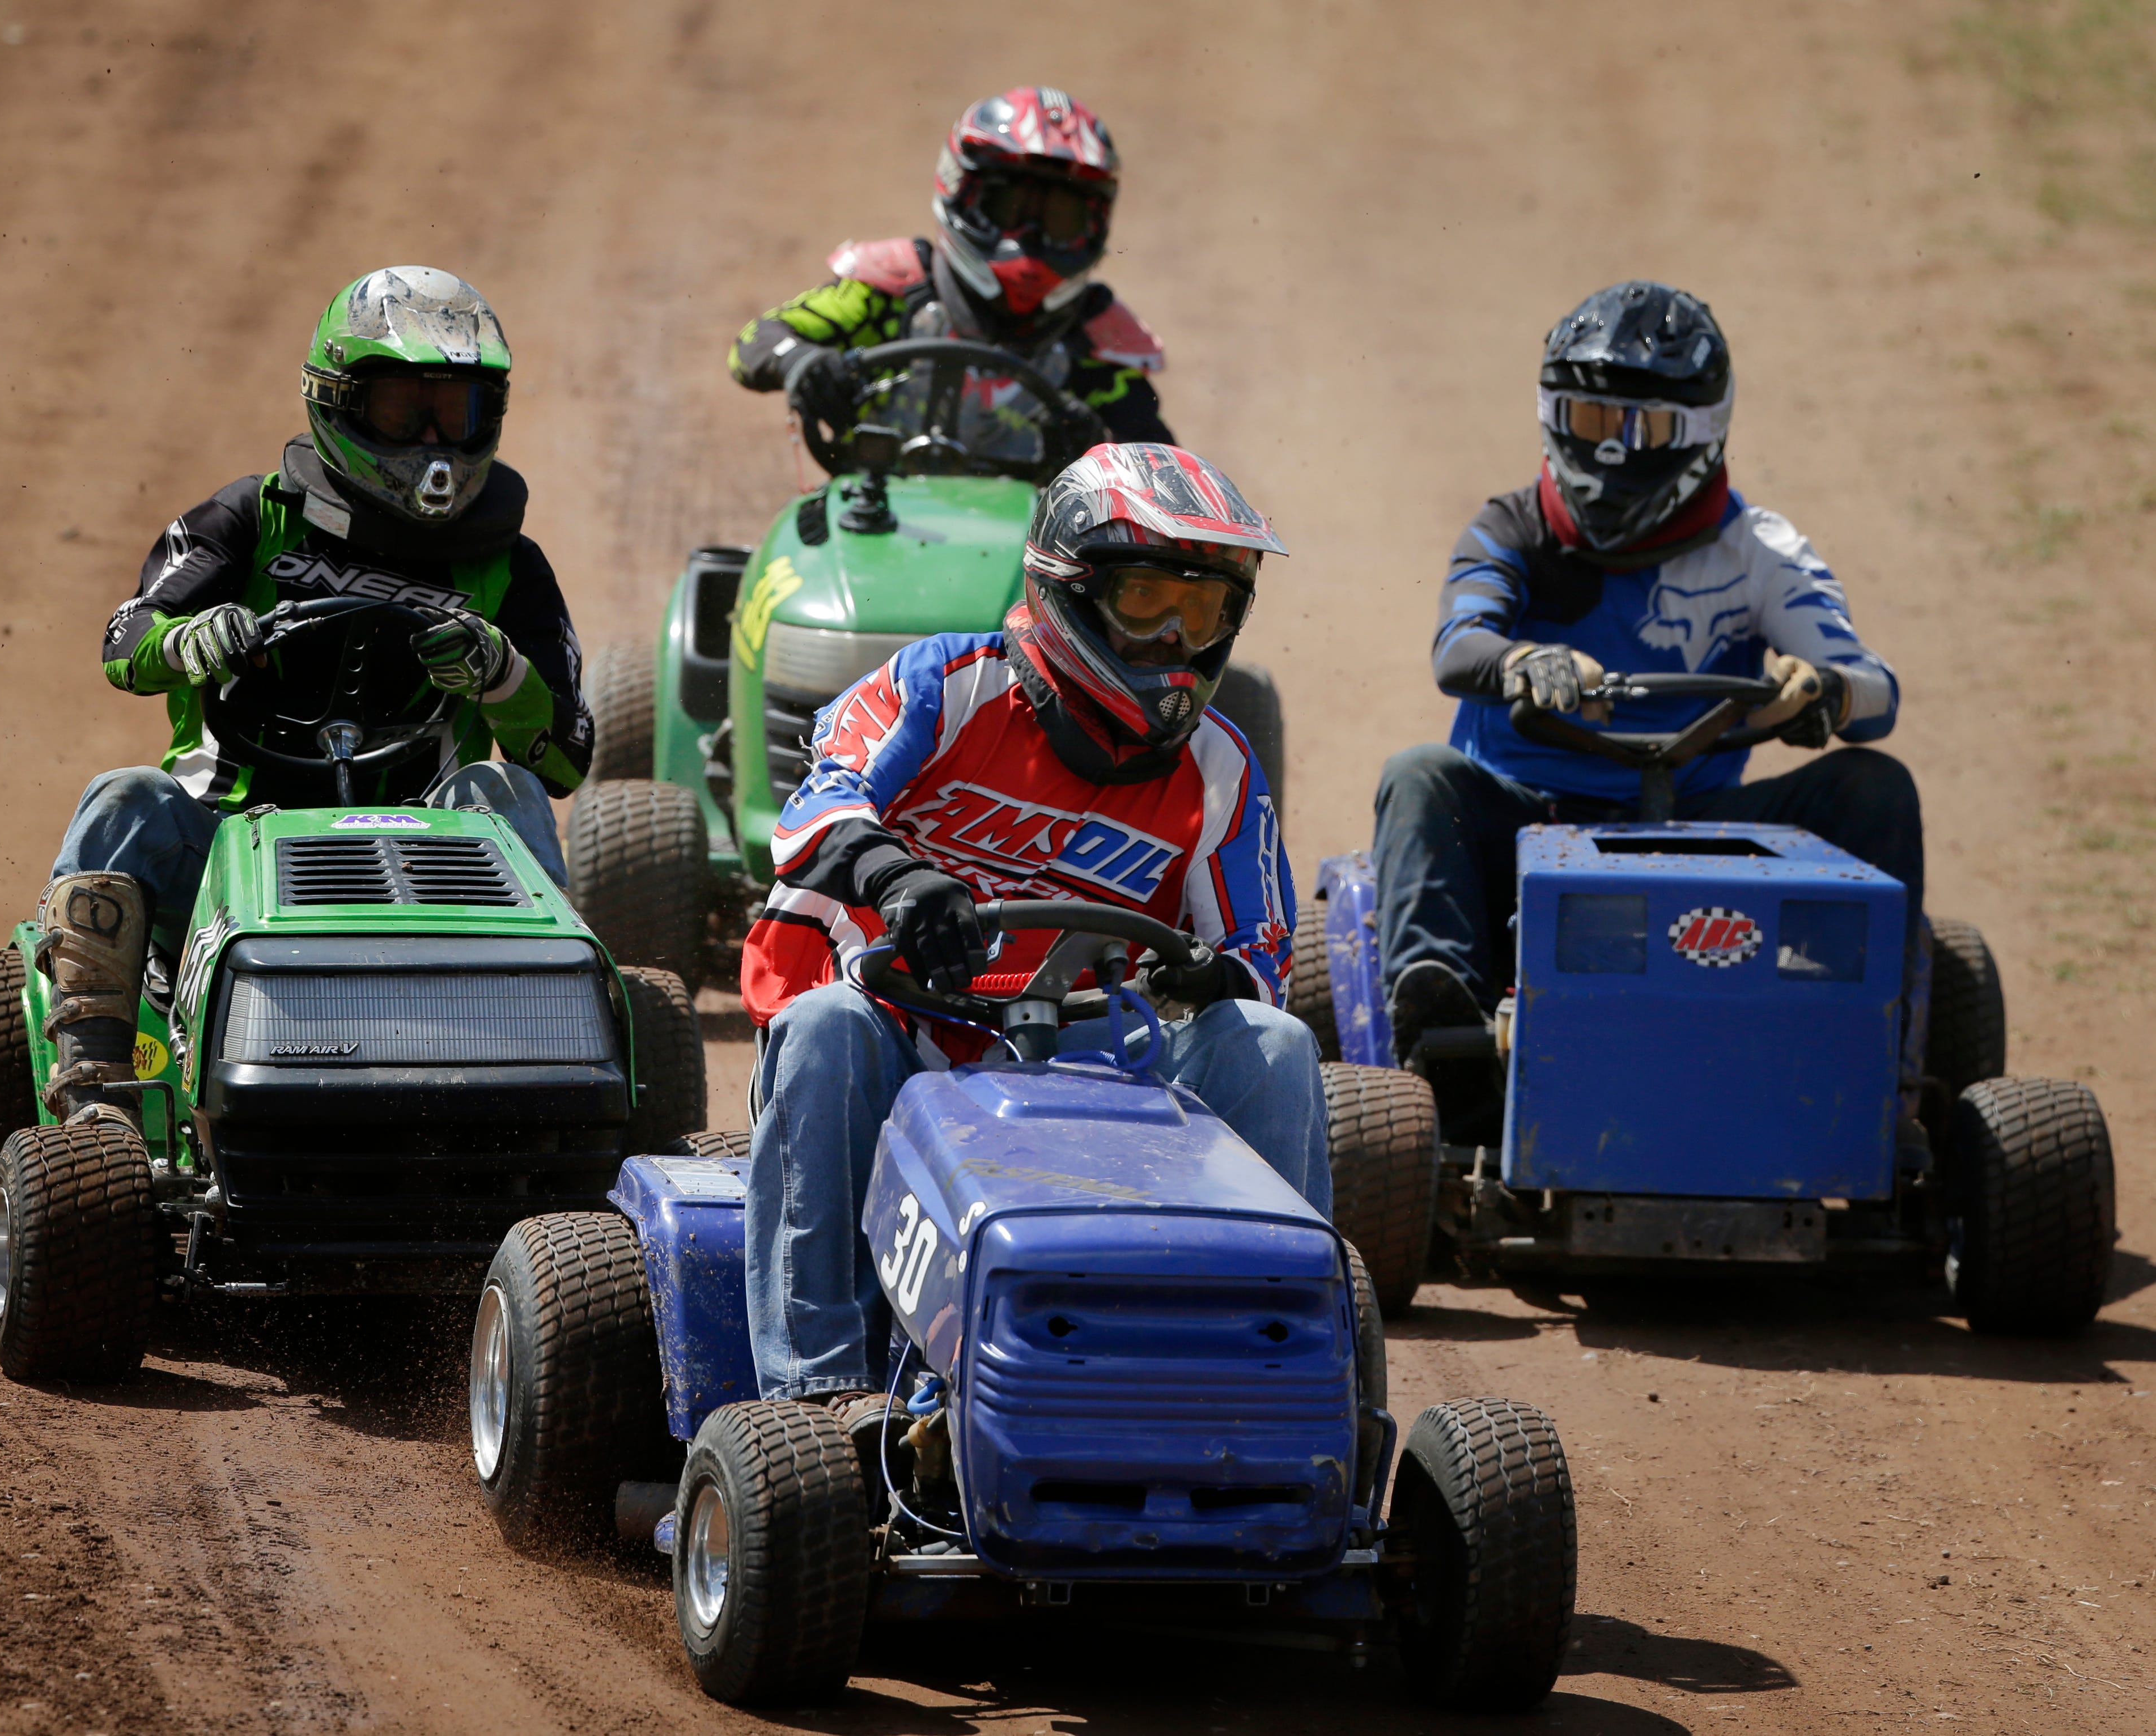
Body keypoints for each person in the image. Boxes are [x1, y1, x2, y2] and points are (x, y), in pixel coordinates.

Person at [738, 442, 1320, 1411]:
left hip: (1094, 1051)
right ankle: (816, 1395)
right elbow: (814, 807)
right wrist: (899, 875)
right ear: (1068, 585)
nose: (1178, 635)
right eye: (1147, 601)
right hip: (901, 1028)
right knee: (824, 1028)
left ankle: (1276, 1382)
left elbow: (1263, 957)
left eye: (1205, 607)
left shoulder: (1219, 765)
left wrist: (1214, 980)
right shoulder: (945, 683)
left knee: (1274, 1045)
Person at [32, 266, 594, 1129]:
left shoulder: (511, 568)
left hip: (427, 865)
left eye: (460, 412)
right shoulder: (251, 520)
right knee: (124, 800)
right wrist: (187, 639)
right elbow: (124, 640)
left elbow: (565, 756)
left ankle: (547, 1062)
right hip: (228, 843)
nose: (436, 439)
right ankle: (95, 1088)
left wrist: (502, 674)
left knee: (504, 792)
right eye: (406, 411)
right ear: (337, 401)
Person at [1370, 280, 1918, 1142]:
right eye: (1592, 422)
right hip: (1521, 825)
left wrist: (1822, 688)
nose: (1615, 452)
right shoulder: (1510, 528)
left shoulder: (1758, 550)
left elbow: (1873, 687)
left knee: (1870, 786)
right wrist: (1524, 660)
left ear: (1700, 433)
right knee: (1419, 775)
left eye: (1646, 428)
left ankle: (1877, 1065)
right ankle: (1450, 1056)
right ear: (1553, 416)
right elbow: (1457, 646)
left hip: (1697, 826)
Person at [728, 84, 1174, 456]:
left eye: (1060, 218)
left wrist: (1099, 446)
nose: (1030, 238)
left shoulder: (1097, 340)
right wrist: (803, 362)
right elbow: (752, 344)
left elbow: (1160, 467)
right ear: (960, 190)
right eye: (1010, 208)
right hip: (867, 522)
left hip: (1031, 551)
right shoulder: (892, 289)